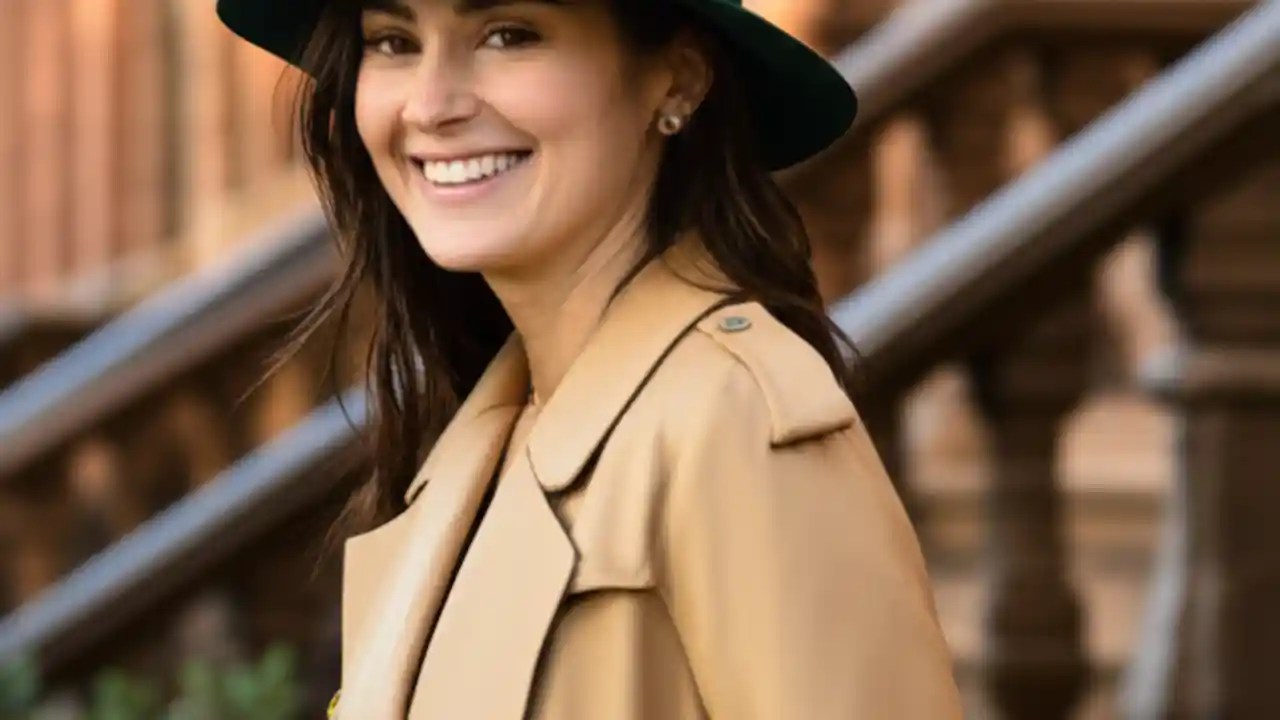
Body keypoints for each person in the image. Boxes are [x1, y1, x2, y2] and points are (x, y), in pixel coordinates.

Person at [217, 0, 964, 717]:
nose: (429, 104)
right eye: (393, 40)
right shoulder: (477, 438)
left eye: (508, 34)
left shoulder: (736, 425)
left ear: (678, 78)